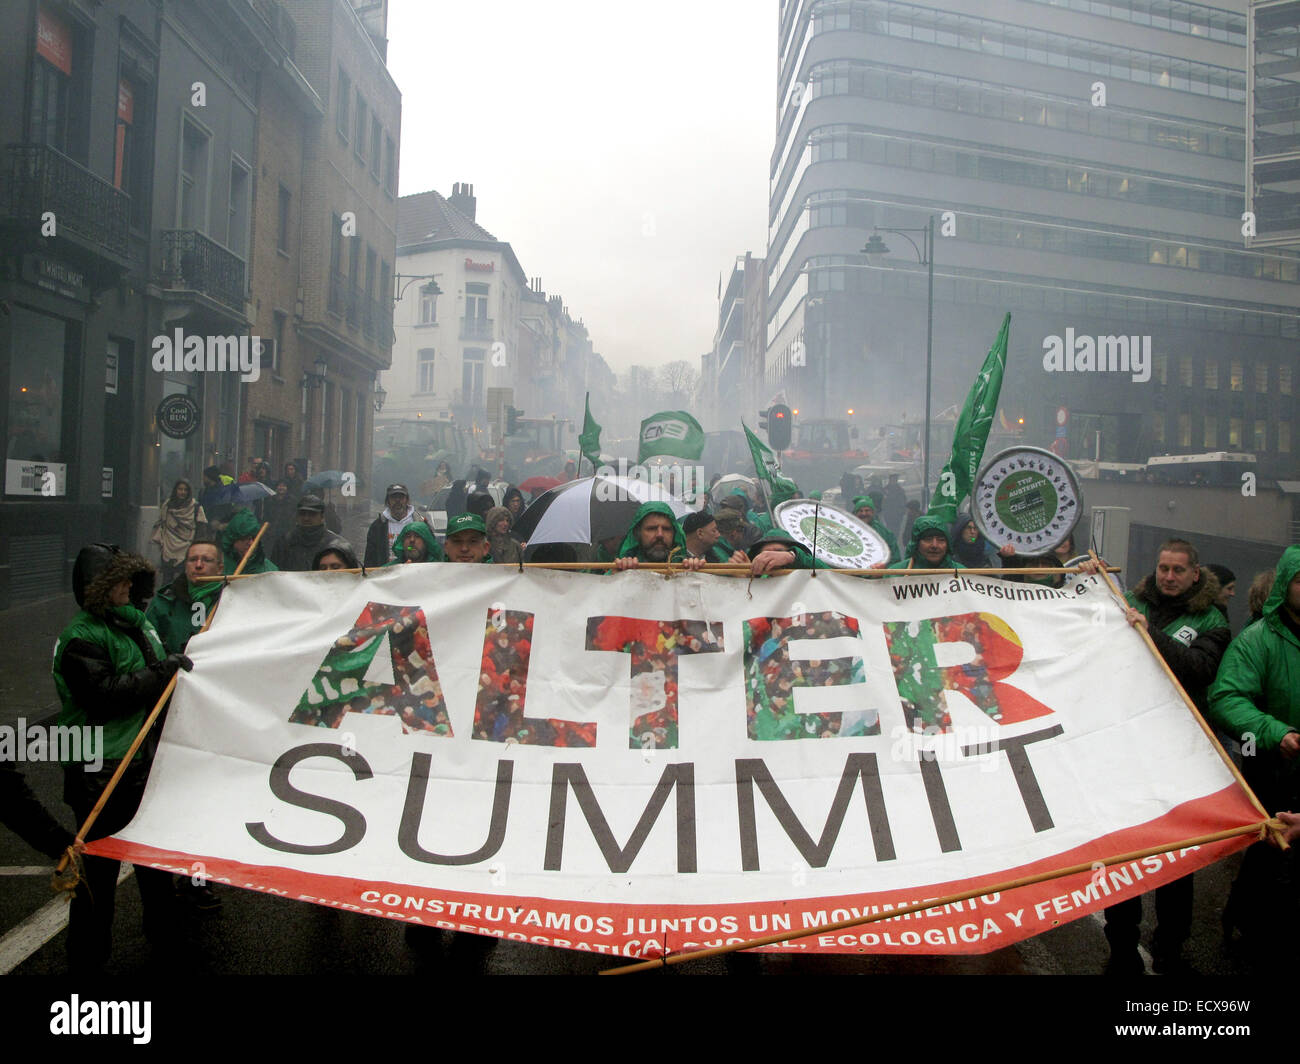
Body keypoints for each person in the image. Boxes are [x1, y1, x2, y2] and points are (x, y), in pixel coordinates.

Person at [52, 544, 193, 972]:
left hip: (139, 764)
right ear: (99, 588)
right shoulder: (82, 636)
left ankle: (166, 944)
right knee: (96, 880)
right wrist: (163, 671)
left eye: (132, 580)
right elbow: (104, 695)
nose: (130, 587)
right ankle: (87, 962)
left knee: (155, 867)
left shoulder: (135, 622)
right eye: (120, 580)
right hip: (100, 770)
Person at [1101, 538, 1228, 974]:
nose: (1169, 577)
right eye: (1163, 568)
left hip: (1178, 751)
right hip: (1129, 744)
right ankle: (1120, 943)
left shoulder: (1213, 617)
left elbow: (1198, 669)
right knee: (1125, 848)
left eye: (1178, 570)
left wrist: (1147, 632)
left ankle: (1171, 943)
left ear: (1195, 573)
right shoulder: (1130, 600)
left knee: (1178, 855)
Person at [1208, 545, 1300, 961]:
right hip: (1275, 763)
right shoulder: (1258, 639)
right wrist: (1274, 732)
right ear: (1286, 584)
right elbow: (1227, 697)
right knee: (1269, 852)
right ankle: (1248, 927)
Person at [145, 538, 223, 656]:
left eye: (206, 560)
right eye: (192, 560)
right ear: (185, 566)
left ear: (220, 569)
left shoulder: (231, 600)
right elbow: (148, 642)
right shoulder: (164, 601)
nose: (198, 565)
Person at [273, 495, 355, 572]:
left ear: (322, 516)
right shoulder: (283, 543)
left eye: (312, 514)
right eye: (302, 513)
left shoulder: (339, 546)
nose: (306, 518)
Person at [150, 479, 208, 585]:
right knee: (167, 579)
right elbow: (162, 522)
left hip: (186, 546)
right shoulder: (168, 505)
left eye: (185, 490)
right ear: (175, 490)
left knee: (183, 578)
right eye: (180, 489)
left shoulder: (195, 507)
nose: (182, 492)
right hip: (168, 546)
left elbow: (201, 528)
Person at [364, 484, 430, 568]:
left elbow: (429, 551)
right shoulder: (377, 526)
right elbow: (370, 557)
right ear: (387, 501)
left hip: (414, 573)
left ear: (407, 500)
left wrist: (408, 549)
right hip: (385, 575)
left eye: (401, 497)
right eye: (394, 497)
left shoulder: (420, 524)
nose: (397, 501)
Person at [889, 514, 965, 570]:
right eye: (928, 539)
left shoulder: (963, 574)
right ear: (916, 543)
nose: (934, 545)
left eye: (941, 540)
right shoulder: (895, 574)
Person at [220, 507, 278, 575]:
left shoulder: (269, 570)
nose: (251, 543)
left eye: (254, 538)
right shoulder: (219, 566)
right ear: (233, 540)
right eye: (244, 539)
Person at [682, 511, 748, 564]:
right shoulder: (675, 559)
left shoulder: (716, 558)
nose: (719, 535)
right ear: (700, 533)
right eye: (714, 530)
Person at [853, 495, 901, 566]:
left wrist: (884, 570)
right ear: (855, 513)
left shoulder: (884, 532)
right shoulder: (849, 529)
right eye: (860, 511)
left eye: (867, 510)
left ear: (872, 512)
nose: (864, 514)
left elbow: (894, 557)